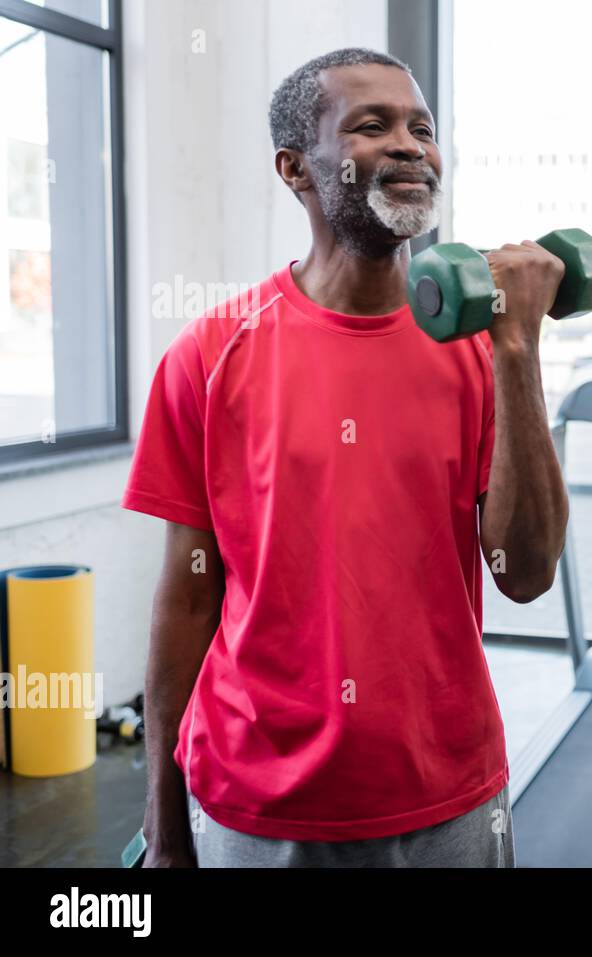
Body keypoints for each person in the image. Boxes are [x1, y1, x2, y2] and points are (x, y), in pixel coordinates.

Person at [122, 48, 568, 867]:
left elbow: (526, 571)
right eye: (373, 126)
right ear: (295, 168)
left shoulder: (480, 353)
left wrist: (518, 349)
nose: (409, 145)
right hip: (257, 797)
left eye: (421, 128)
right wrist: (163, 812)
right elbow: (186, 600)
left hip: (448, 789)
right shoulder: (211, 353)